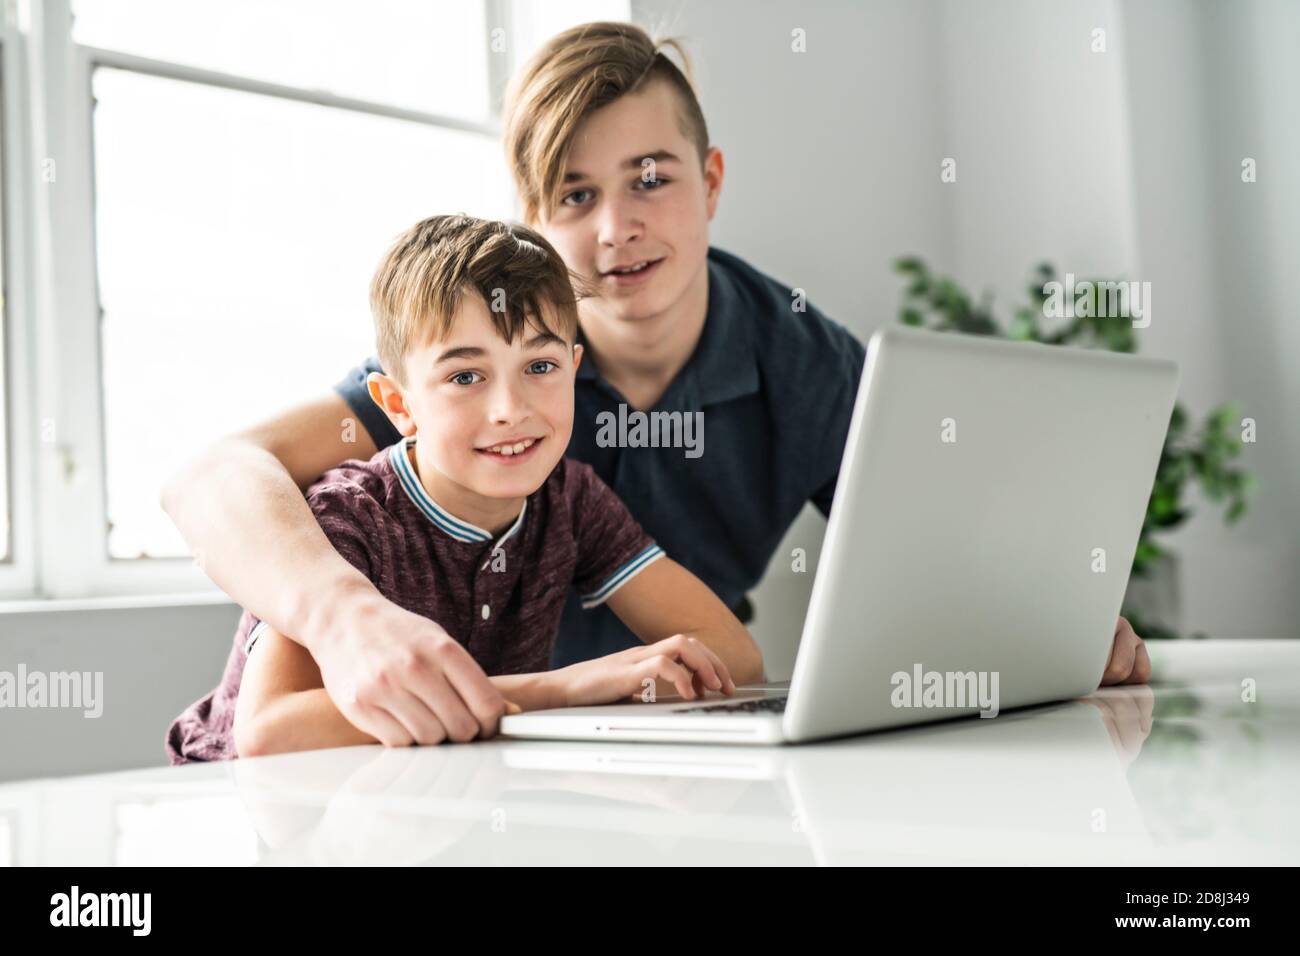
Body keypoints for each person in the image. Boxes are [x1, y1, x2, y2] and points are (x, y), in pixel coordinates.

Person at [161, 22, 1150, 749]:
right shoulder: (477, 369)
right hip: (451, 755)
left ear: (711, 180)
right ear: (530, 218)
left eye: (650, 178)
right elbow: (210, 477)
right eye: (575, 196)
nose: (613, 230)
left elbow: (929, 550)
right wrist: (344, 613)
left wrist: (1045, 616)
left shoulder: (798, 354)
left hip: (660, 745)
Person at [166, 215, 762, 762]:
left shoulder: (572, 499)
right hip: (254, 812)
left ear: (574, 369)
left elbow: (733, 655)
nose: (510, 409)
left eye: (540, 367)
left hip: (430, 801)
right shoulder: (347, 515)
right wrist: (570, 687)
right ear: (399, 405)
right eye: (466, 376)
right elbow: (273, 731)